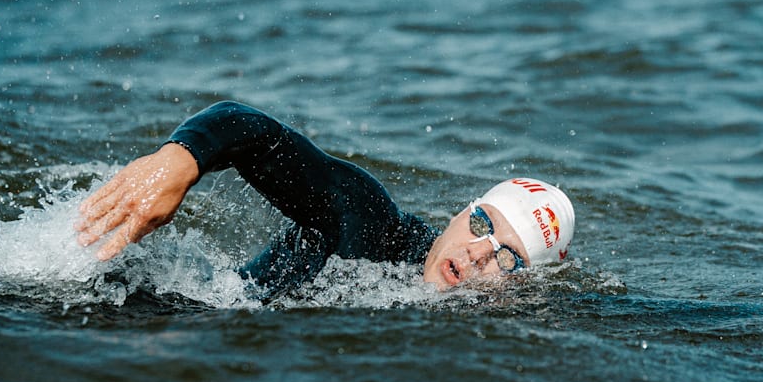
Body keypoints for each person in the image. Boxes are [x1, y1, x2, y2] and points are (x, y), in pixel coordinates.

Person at [74, 101, 574, 300]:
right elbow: (247, 127)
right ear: (464, 211)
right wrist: (180, 159)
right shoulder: (369, 221)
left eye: (508, 259)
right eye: (483, 224)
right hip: (153, 308)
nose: (479, 253)